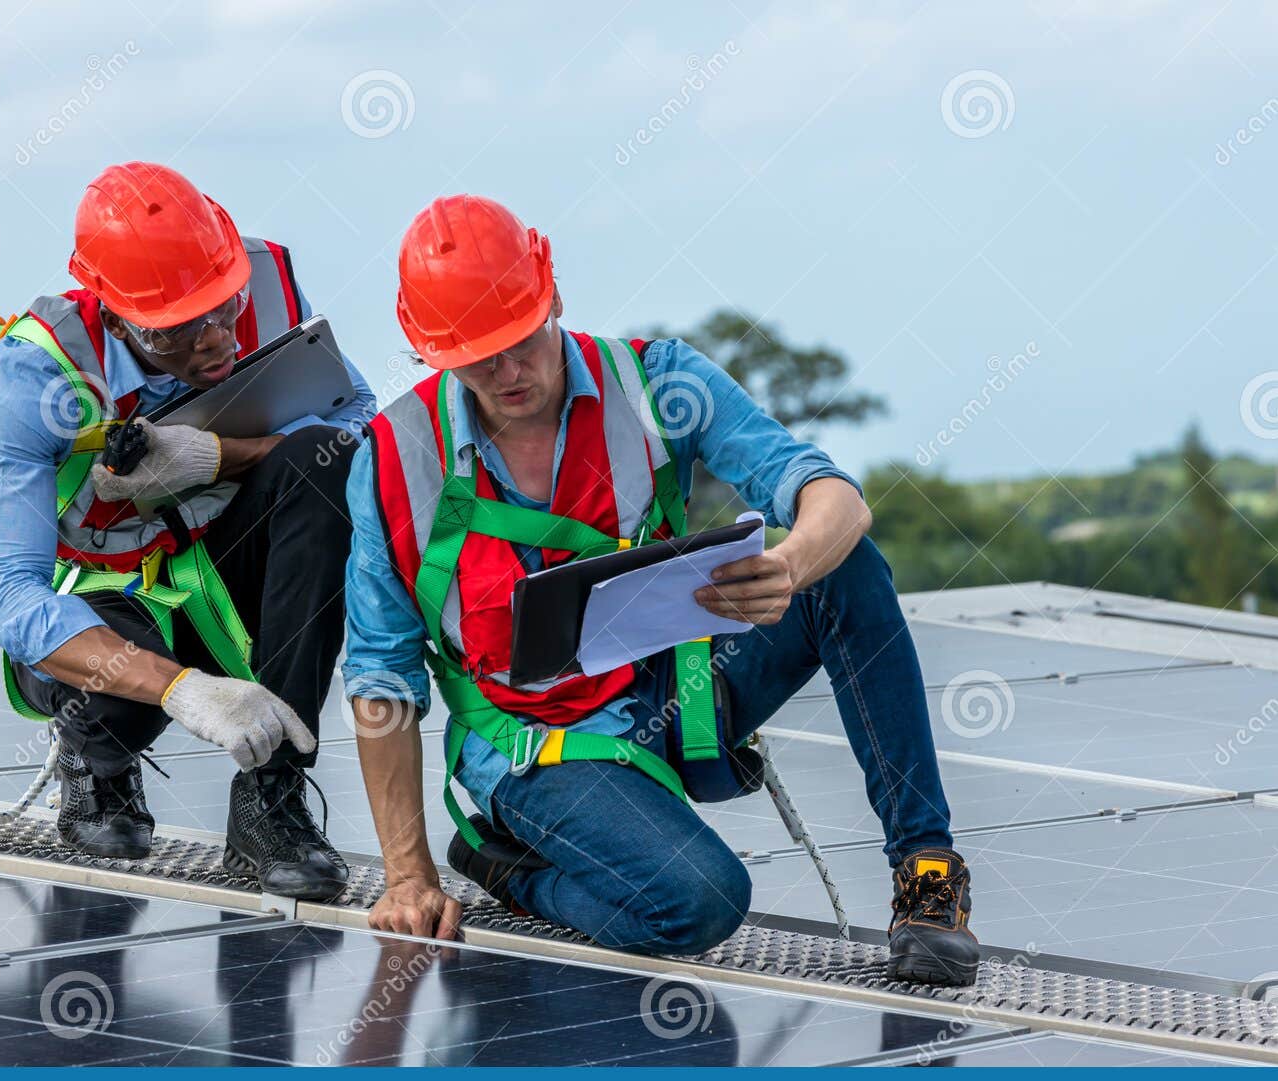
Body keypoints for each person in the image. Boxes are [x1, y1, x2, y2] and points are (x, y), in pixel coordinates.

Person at [339, 194, 978, 985]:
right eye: (476, 356)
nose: (505, 373)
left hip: (673, 695)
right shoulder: (396, 459)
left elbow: (832, 495)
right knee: (699, 901)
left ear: (553, 297)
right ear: (433, 352)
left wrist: (790, 564)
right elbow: (380, 674)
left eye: (518, 340)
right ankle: (512, 867)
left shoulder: (657, 384)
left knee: (846, 567)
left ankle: (926, 874)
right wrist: (409, 875)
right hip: (535, 746)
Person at [0, 161, 370, 900]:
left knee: (325, 462)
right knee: (120, 698)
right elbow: (5, 595)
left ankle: (270, 801)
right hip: (106, 592)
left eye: (225, 307)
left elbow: (360, 432)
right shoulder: (39, 372)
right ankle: (99, 759)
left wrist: (217, 455)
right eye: (179, 330)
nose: (217, 339)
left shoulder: (269, 284)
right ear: (115, 317)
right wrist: (182, 690)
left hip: (224, 563)